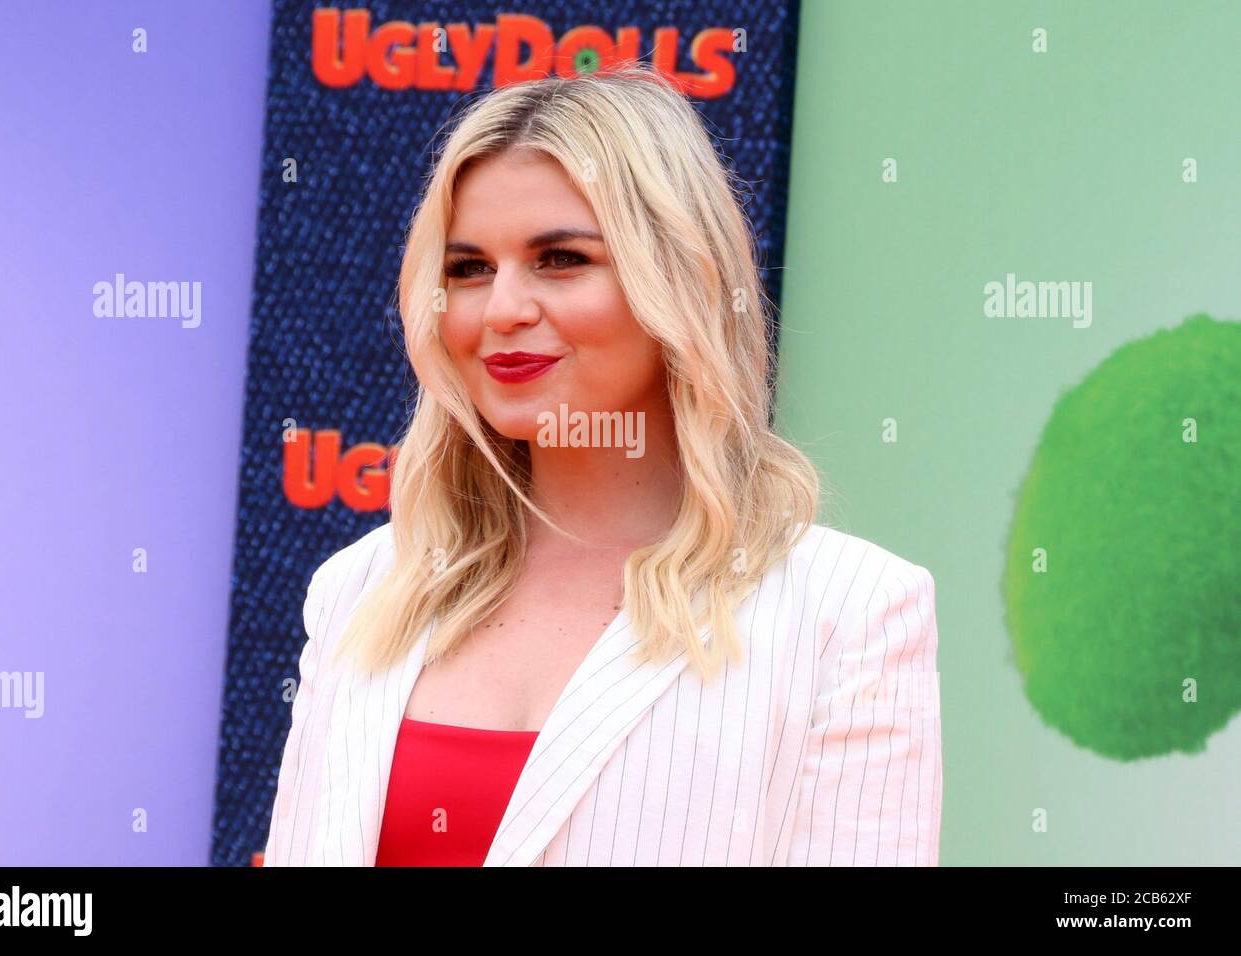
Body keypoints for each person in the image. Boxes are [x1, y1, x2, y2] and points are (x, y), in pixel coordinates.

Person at [264, 63, 941, 867]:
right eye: (469, 269)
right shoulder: (360, 590)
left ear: (681, 278)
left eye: (560, 259)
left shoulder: (848, 614)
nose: (504, 310)